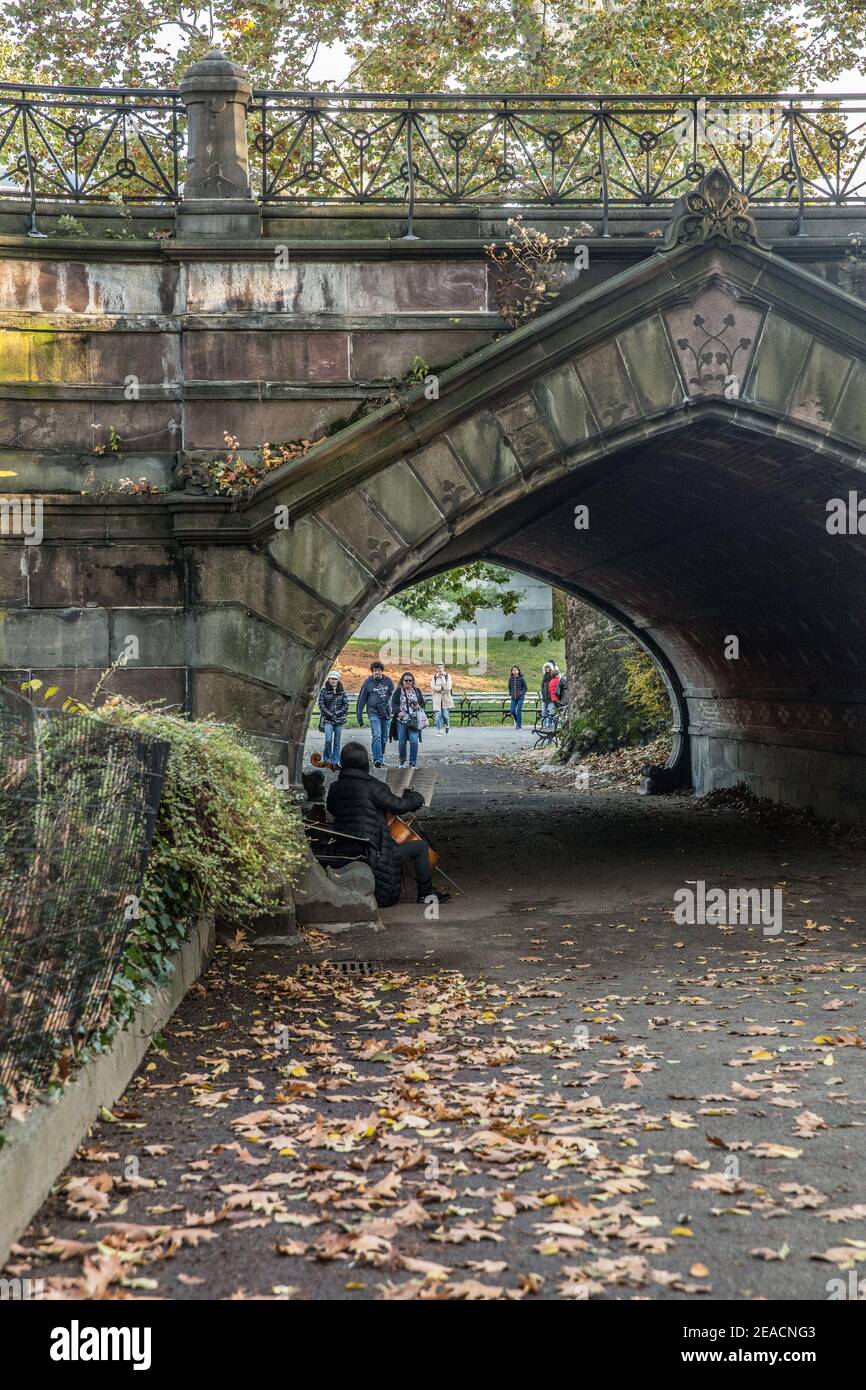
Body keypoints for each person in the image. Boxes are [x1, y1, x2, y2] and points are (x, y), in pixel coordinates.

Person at [327, 742, 449, 907]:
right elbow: (398, 806)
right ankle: (425, 894)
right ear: (365, 764)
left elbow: (332, 809)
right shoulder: (373, 787)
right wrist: (416, 798)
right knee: (420, 847)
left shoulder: (335, 788)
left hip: (346, 848)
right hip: (372, 852)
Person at [356, 660, 394, 768]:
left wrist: (395, 709)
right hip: (373, 712)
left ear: (382, 671)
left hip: (385, 713)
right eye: (374, 670)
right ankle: (377, 760)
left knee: (384, 737)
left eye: (378, 670)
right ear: (372, 671)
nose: (376, 672)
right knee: (376, 735)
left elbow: (394, 696)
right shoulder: (368, 682)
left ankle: (380, 757)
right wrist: (359, 716)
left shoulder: (388, 681)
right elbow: (361, 699)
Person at [390, 671, 427, 768]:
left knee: (414, 741)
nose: (408, 682)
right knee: (402, 742)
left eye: (410, 680)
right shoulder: (398, 691)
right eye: (406, 680)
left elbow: (422, 703)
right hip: (401, 720)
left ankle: (412, 764)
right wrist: (398, 712)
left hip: (414, 721)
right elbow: (393, 704)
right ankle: (402, 762)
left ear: (413, 681)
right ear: (402, 681)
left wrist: (418, 706)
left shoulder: (417, 691)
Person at [317, 670, 348, 766]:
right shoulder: (323, 691)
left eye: (335, 679)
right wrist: (331, 715)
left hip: (339, 720)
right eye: (331, 679)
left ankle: (335, 762)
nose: (333, 681)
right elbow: (321, 705)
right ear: (329, 679)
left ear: (338, 680)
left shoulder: (342, 691)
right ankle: (327, 760)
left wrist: (337, 714)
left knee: (337, 742)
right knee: (328, 740)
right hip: (327, 720)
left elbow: (346, 705)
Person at [430, 662, 454, 734]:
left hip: (445, 698)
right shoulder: (434, 677)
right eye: (438, 668)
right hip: (437, 699)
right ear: (436, 669)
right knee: (438, 716)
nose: (440, 669)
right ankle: (439, 730)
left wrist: (443, 689)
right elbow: (433, 686)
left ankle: (447, 725)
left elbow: (449, 687)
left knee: (445, 715)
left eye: (441, 667)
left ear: (443, 668)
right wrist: (441, 688)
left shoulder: (447, 676)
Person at [540, 661, 560, 725]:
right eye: (546, 668)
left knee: (551, 712)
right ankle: (543, 725)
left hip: (551, 698)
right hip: (544, 698)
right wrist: (542, 693)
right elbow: (542, 686)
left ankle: (550, 725)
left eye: (548, 667)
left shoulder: (552, 677)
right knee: (543, 712)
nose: (547, 669)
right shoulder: (544, 677)